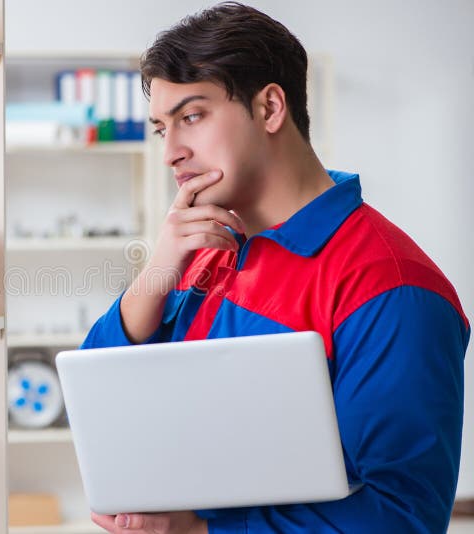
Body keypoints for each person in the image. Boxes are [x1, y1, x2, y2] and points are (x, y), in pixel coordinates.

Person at [81, 3, 470, 533]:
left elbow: (401, 517)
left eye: (191, 117)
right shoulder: (205, 245)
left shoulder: (392, 288)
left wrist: (199, 530)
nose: (170, 152)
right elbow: (99, 402)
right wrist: (156, 273)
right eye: (160, 129)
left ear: (269, 108)